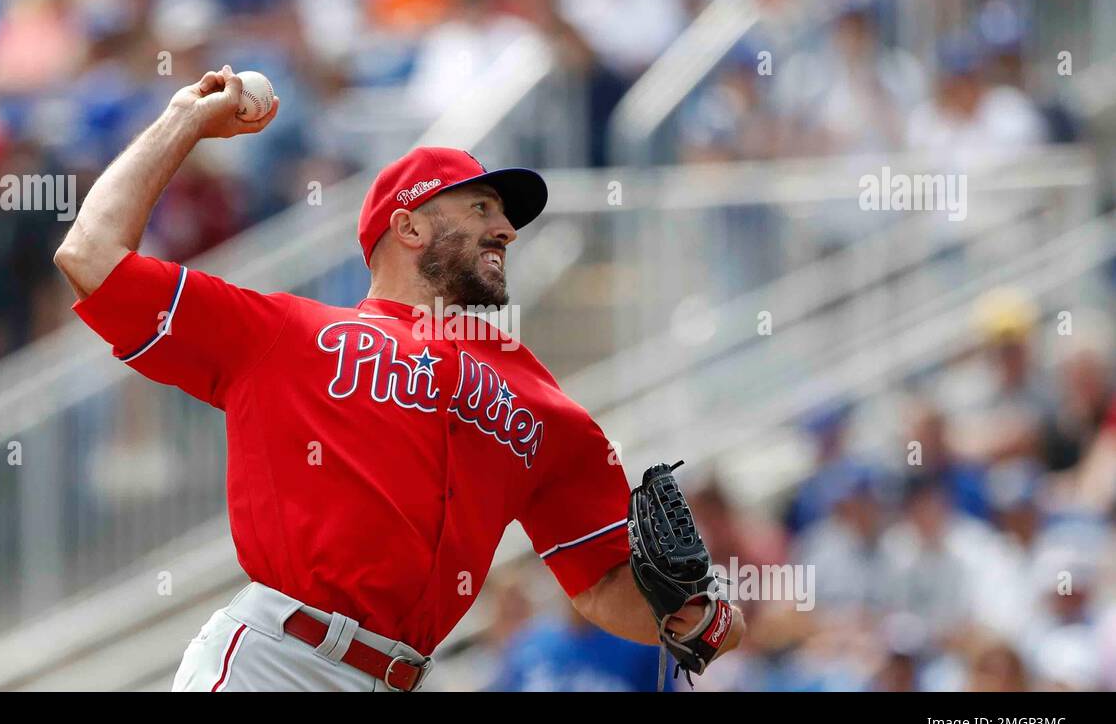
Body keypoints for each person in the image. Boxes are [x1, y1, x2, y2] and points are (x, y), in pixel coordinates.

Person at [52, 66, 743, 691]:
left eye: (504, 216)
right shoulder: (286, 334)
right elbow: (91, 254)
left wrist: (702, 618)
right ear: (408, 225)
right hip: (277, 664)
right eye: (480, 208)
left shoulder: (543, 402)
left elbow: (603, 585)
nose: (505, 227)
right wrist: (185, 119)